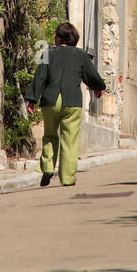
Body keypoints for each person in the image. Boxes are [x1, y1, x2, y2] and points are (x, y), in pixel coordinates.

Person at [25, 22, 106, 187]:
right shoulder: (81, 55)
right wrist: (98, 88)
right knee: (69, 140)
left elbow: (40, 76)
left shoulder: (47, 53)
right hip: (72, 101)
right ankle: (68, 178)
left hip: (51, 100)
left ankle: (48, 167)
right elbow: (91, 75)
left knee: (49, 135)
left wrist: (32, 99)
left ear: (58, 38)